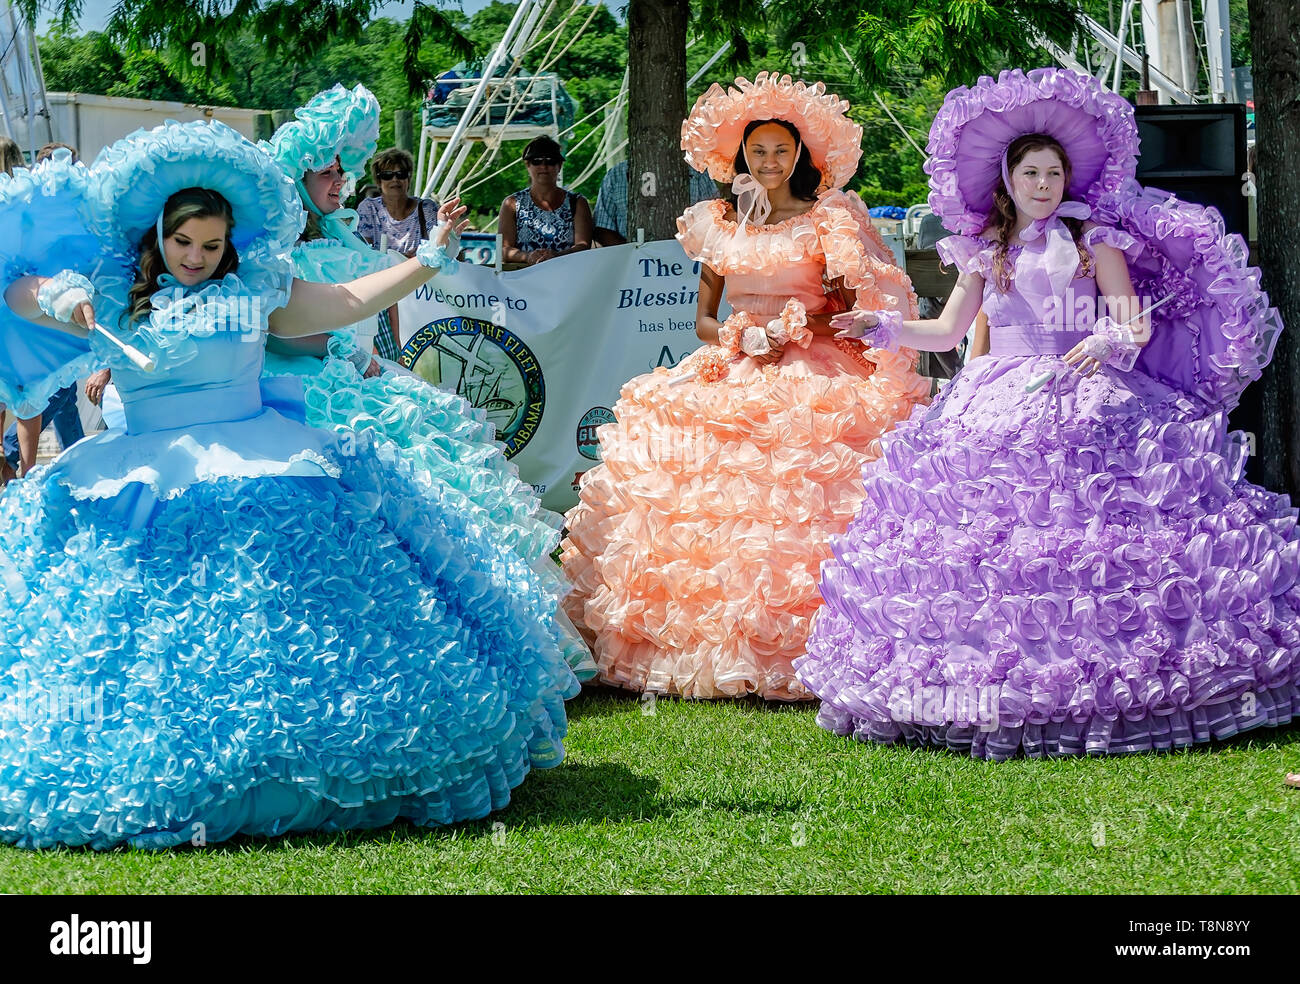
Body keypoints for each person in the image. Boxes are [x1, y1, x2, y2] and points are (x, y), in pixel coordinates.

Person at [0, 118, 578, 850]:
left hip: (265, 464)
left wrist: (430, 259)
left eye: (211, 246)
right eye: (183, 244)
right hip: (140, 473)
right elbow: (13, 284)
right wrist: (53, 295)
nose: (196, 259)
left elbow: (344, 304)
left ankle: (296, 759)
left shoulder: (257, 288)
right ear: (159, 236)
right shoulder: (112, 293)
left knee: (291, 632)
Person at [797, 67, 1296, 759]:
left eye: (1053, 174)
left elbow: (1134, 324)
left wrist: (1111, 337)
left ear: (1068, 180)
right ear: (1007, 180)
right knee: (995, 552)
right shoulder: (985, 249)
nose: (1042, 185)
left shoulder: (1097, 239)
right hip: (996, 396)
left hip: (1091, 393)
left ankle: (1118, 681)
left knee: (1099, 546)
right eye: (1030, 173)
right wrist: (883, 327)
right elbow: (946, 334)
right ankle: (988, 679)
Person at [561, 73, 931, 700]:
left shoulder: (826, 221)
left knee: (800, 504)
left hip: (813, 369)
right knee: (703, 507)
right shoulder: (717, 223)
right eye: (757, 151)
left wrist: (795, 327)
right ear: (740, 158)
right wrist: (738, 336)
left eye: (780, 151)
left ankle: (816, 639)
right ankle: (713, 645)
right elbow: (703, 318)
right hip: (734, 364)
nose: (769, 161)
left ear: (801, 158)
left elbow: (848, 308)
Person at [260, 85, 596, 682]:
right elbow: (289, 322)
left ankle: (464, 656)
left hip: (347, 376)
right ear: (298, 175)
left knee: (435, 495)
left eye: (345, 169)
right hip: (293, 396)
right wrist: (347, 340)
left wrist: (432, 251)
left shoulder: (331, 233)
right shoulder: (272, 247)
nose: (342, 179)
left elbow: (359, 298)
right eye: (329, 170)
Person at [498, 136, 592, 265]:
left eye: (550, 161)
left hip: (567, 279)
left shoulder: (577, 203)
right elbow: (503, 250)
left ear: (559, 165)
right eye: (536, 161)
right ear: (528, 165)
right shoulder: (512, 204)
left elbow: (583, 247)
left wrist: (556, 256)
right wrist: (528, 257)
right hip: (522, 280)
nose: (544, 166)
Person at [592, 160, 718, 246]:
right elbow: (602, 228)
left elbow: (713, 220)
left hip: (686, 266)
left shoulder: (698, 173)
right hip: (630, 273)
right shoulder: (615, 175)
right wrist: (634, 256)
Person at [355, 146, 440, 258]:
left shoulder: (426, 208)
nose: (395, 179)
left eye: (401, 174)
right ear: (378, 181)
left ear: (408, 179)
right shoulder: (369, 208)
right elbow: (363, 253)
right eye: (387, 175)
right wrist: (402, 258)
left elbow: (438, 250)